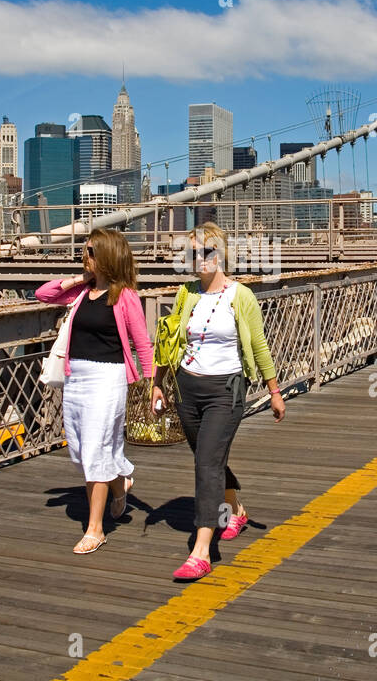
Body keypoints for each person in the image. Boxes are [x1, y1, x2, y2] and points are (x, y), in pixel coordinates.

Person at [151, 223, 285, 581]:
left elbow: (259, 345)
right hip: (186, 389)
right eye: (192, 252)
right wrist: (158, 382)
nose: (199, 259)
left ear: (221, 254)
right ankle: (235, 509)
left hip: (226, 392)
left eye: (206, 251)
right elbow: (170, 339)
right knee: (207, 458)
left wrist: (274, 391)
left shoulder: (241, 296)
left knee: (206, 463)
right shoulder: (186, 293)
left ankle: (201, 551)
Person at [35, 228, 154, 554]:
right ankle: (120, 481)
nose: (84, 255)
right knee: (80, 449)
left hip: (107, 379)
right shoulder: (82, 293)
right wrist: (79, 279)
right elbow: (43, 294)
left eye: (90, 251)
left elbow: (142, 343)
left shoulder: (125, 296)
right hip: (76, 379)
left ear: (107, 256)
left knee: (94, 451)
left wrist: (151, 384)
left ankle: (95, 529)